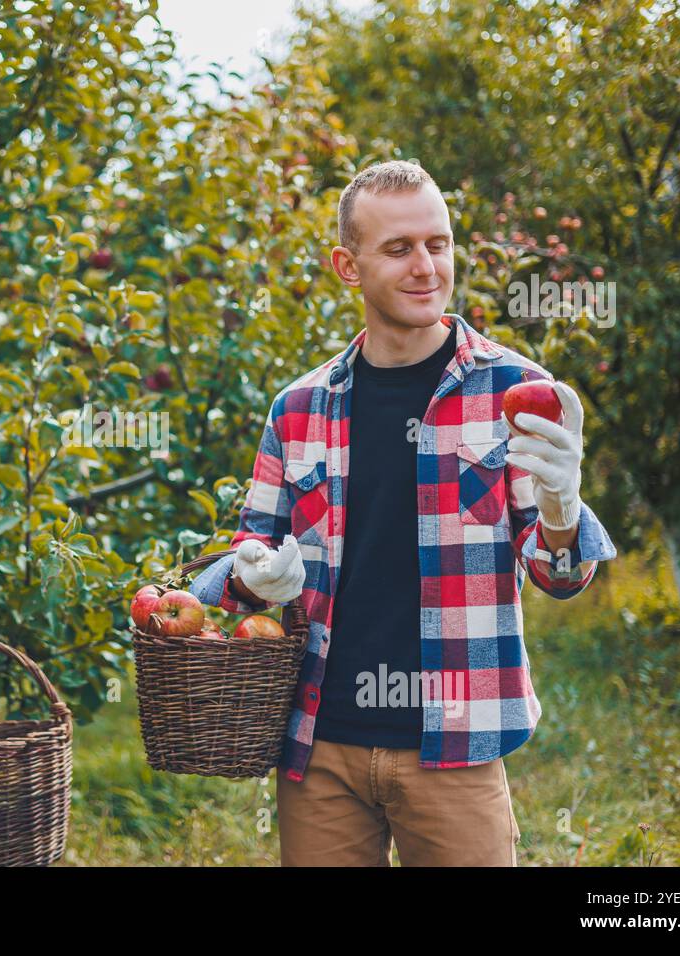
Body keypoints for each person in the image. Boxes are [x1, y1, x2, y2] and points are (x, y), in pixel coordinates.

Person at [190, 160, 616, 866]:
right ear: (347, 265)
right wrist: (247, 578)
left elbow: (561, 577)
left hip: (456, 745)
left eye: (439, 244)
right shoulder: (298, 409)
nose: (426, 267)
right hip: (321, 747)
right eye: (399, 249)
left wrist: (563, 510)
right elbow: (243, 564)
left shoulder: (517, 392)